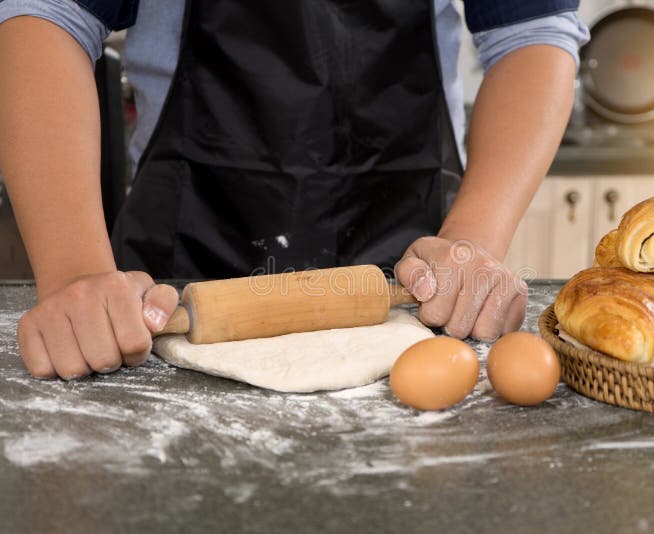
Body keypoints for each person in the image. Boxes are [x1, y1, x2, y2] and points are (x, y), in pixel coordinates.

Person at [0, 0, 589, 380]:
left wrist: (472, 242)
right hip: (177, 276)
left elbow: (529, 32)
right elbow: (46, 14)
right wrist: (75, 272)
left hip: (414, 280)